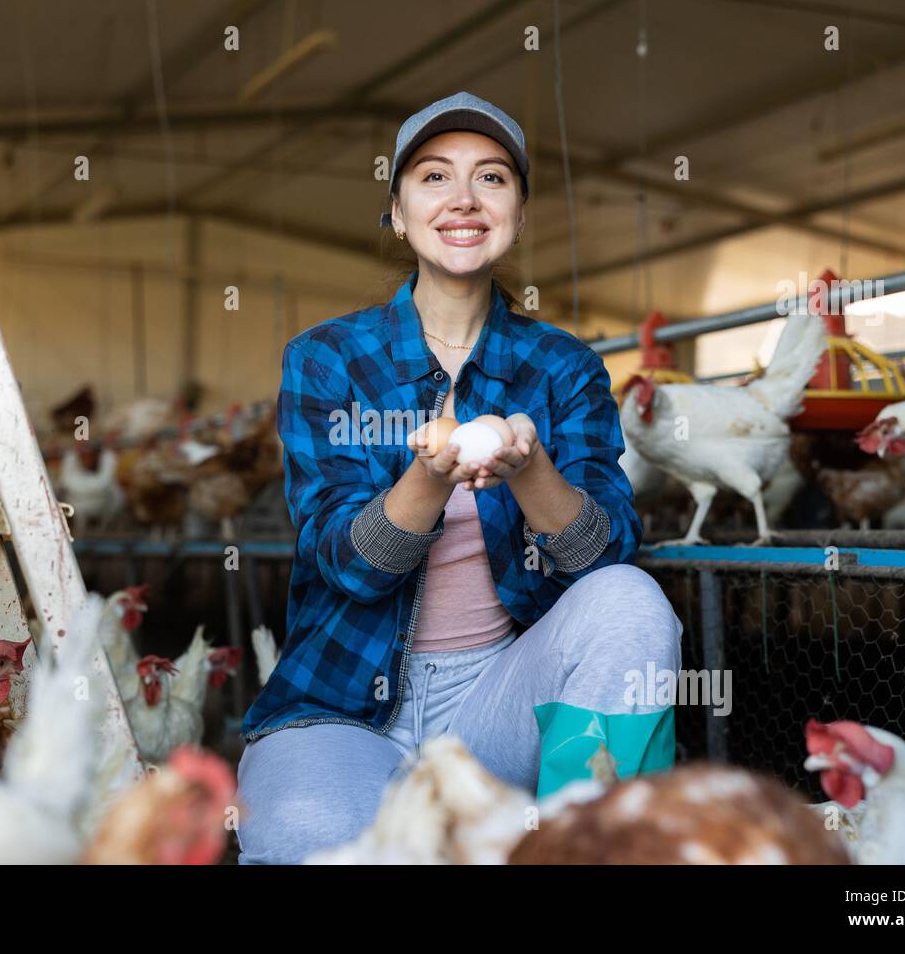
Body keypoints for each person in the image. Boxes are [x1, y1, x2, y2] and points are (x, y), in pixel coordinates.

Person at [236, 91, 681, 864]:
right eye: (435, 178)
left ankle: (595, 845)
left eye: (493, 179)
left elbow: (600, 558)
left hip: (496, 703)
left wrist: (531, 468)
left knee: (630, 601)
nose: (465, 199)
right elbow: (346, 564)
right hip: (343, 708)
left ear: (516, 213)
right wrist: (431, 474)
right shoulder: (329, 357)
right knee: (308, 838)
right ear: (399, 215)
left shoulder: (561, 365)